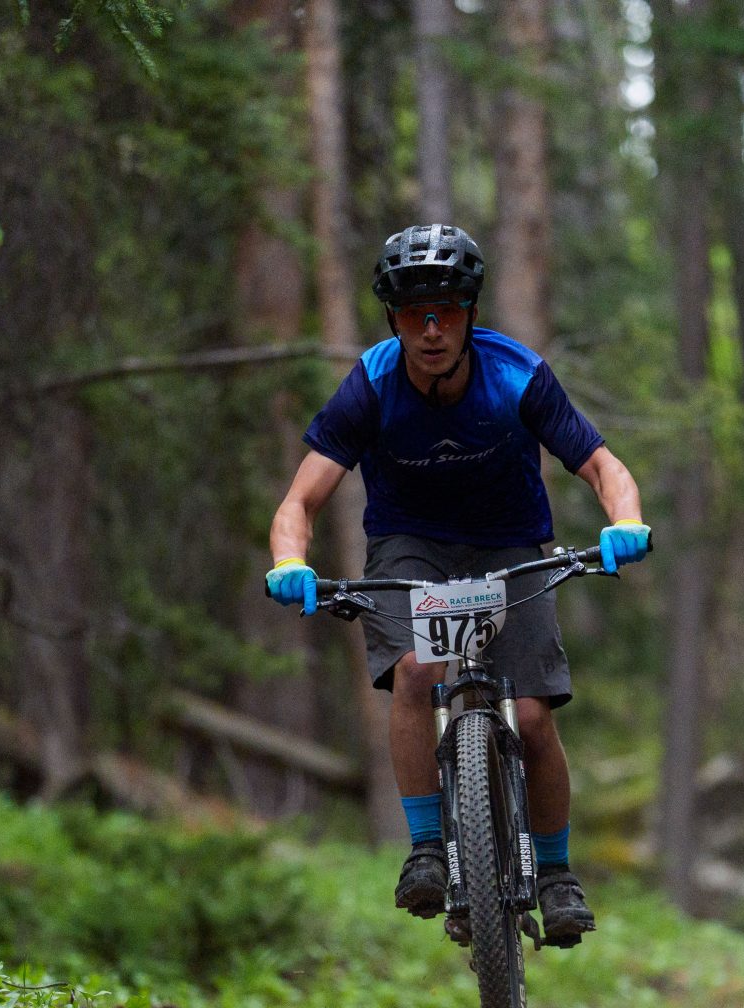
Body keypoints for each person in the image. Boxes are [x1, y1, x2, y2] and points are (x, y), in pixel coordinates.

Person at [266, 223, 648, 948]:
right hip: (409, 547)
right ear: (394, 320)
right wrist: (290, 562)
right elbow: (300, 502)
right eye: (415, 314)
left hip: (510, 545)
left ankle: (558, 872)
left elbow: (602, 465)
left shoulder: (515, 375)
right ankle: (427, 849)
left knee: (532, 716)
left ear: (470, 312)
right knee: (417, 672)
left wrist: (624, 521)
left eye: (446, 310)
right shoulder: (372, 385)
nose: (432, 329)